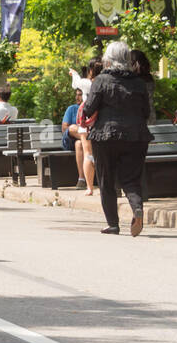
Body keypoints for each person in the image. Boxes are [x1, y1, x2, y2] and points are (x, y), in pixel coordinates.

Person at [80, 40, 152, 237]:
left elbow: (88, 109)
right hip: (136, 136)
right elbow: (146, 112)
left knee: (106, 180)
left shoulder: (101, 80)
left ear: (108, 59)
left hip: (106, 137)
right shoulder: (139, 82)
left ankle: (113, 224)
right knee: (131, 179)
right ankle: (137, 208)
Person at [68, 59, 103, 193]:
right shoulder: (106, 82)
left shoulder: (87, 83)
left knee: (88, 153)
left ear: (90, 71)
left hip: (87, 122)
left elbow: (76, 83)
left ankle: (89, 187)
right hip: (103, 121)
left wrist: (74, 73)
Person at [62, 87, 83, 182]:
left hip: (79, 141)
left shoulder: (91, 108)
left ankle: (82, 179)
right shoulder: (72, 109)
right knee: (72, 128)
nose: (77, 97)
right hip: (70, 140)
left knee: (79, 144)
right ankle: (89, 140)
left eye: (80, 95)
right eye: (76, 94)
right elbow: (65, 128)